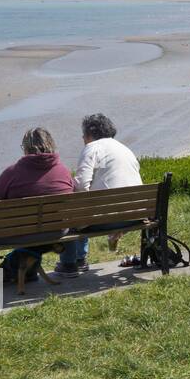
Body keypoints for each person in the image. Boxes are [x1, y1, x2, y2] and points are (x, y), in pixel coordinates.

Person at [56, 113, 143, 277]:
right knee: (83, 206)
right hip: (136, 214)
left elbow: (81, 187)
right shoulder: (125, 148)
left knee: (71, 209)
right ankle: (79, 260)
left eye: (83, 135)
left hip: (107, 219)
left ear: (89, 135)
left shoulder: (91, 148)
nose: (83, 139)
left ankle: (71, 263)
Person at [0, 128, 75, 269]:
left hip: (19, 234)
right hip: (56, 232)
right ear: (51, 145)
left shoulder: (12, 172)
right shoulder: (63, 171)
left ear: (26, 148)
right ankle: (67, 265)